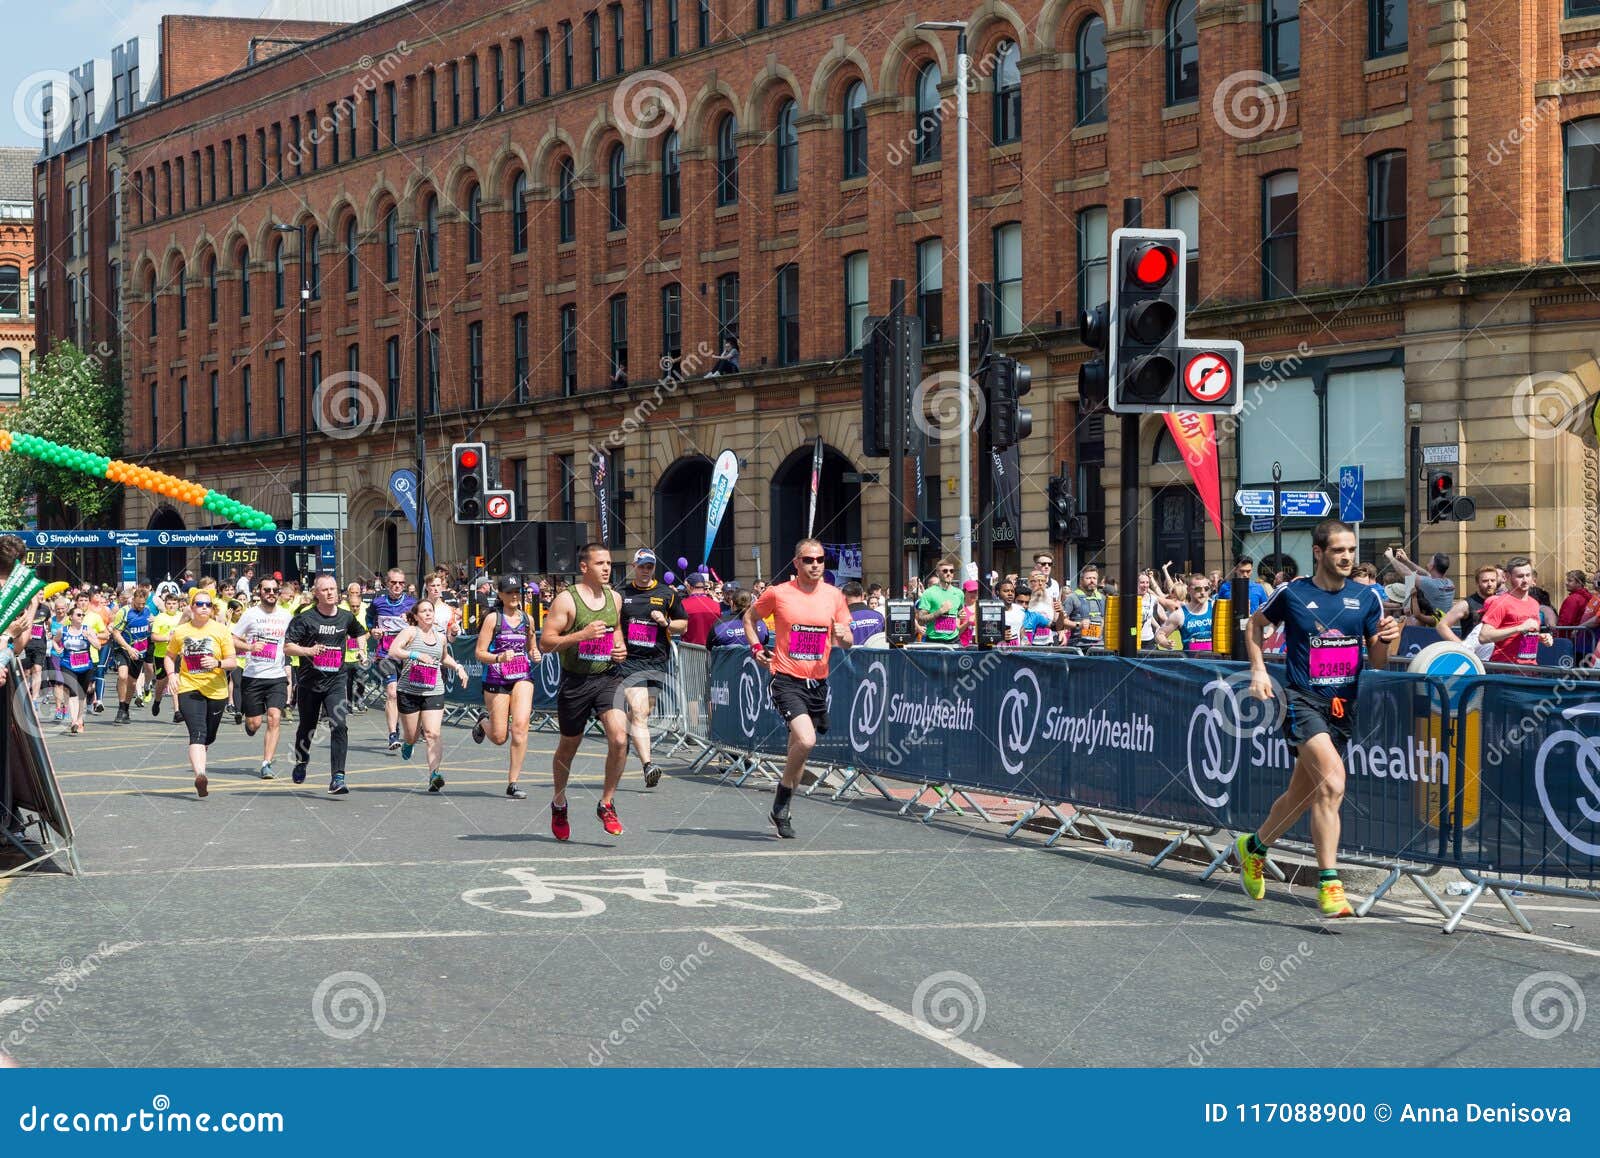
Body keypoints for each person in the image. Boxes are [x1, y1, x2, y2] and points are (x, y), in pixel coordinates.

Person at [1234, 519, 1398, 919]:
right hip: (1301, 701)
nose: (1347, 557)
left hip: (1342, 707)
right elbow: (1255, 625)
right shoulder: (1293, 593)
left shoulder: (1367, 597)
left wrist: (1390, 637)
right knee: (1334, 783)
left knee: (1302, 796)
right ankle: (1329, 884)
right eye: (1339, 550)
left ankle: (1254, 847)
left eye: (1352, 550)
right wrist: (1258, 670)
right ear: (1319, 552)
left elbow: (1378, 660)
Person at [745, 538, 854, 838]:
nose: (815, 564)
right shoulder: (778, 593)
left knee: (799, 752)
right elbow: (749, 618)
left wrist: (844, 635)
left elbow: (847, 641)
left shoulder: (834, 596)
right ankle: (781, 799)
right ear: (796, 563)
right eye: (808, 560)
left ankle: (783, 811)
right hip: (785, 678)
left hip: (817, 683)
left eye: (820, 559)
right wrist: (756, 649)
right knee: (806, 740)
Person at [539, 544, 630, 839]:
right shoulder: (567, 600)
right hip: (575, 681)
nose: (606, 568)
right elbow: (546, 643)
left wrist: (619, 647)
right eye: (600, 563)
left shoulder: (615, 598)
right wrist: (581, 635)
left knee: (620, 738)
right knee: (569, 747)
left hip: (607, 677)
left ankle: (606, 803)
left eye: (609, 563)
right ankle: (559, 803)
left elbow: (616, 630)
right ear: (583, 567)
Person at [283, 574, 368, 793]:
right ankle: (301, 760)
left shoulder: (346, 617)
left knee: (339, 725)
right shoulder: (305, 618)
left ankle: (338, 777)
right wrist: (309, 650)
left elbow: (360, 632)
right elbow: (288, 647)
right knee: (307, 727)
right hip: (310, 682)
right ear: (316, 594)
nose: (330, 593)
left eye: (333, 589)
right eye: (325, 590)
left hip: (336, 681)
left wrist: (361, 650)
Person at [617, 549, 686, 788]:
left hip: (656, 660)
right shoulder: (622, 594)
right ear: (634, 567)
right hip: (629, 661)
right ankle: (648, 765)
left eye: (650, 566)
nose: (646, 570)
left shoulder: (667, 594)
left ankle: (626, 732)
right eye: (642, 566)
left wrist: (666, 623)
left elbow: (683, 625)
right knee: (638, 711)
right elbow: (614, 623)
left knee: (644, 713)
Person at [472, 574, 542, 798]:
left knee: (520, 728)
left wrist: (535, 653)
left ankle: (513, 782)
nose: (514, 596)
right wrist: (499, 658)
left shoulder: (528, 619)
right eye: (509, 592)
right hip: (496, 679)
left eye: (516, 592)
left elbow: (532, 647)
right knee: (500, 737)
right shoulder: (493, 619)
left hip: (522, 676)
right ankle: (483, 722)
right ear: (500, 595)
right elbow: (479, 653)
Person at [386, 598, 467, 792]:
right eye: (423, 611)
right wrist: (415, 655)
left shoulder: (440, 637)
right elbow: (393, 650)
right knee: (412, 736)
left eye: (430, 610)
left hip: (433, 690)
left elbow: (444, 657)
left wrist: (458, 667)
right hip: (409, 691)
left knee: (433, 733)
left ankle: (434, 775)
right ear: (415, 616)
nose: (428, 613)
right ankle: (409, 743)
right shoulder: (410, 632)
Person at [165, 591, 240, 797]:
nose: (204, 607)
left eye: (208, 604)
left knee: (209, 736)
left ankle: (201, 766)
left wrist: (217, 663)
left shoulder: (221, 631)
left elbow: (232, 661)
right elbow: (169, 656)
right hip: (189, 688)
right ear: (192, 607)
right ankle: (200, 775)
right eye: (199, 604)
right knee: (197, 733)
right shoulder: (181, 632)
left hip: (216, 691)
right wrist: (171, 675)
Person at [233, 577, 293, 779]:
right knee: (255, 723)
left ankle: (266, 763)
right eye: (267, 590)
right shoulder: (250, 614)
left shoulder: (286, 616)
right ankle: (250, 724)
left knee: (274, 717)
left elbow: (294, 639)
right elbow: (232, 638)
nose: (271, 593)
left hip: (277, 676)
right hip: (253, 676)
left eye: (275, 590)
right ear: (259, 592)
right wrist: (250, 647)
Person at [367, 568, 418, 752]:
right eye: (393, 582)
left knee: (406, 695)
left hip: (407, 655)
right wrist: (373, 630)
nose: (397, 586)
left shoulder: (412, 603)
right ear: (387, 584)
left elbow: (421, 625)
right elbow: (369, 619)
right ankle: (392, 735)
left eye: (401, 583)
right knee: (392, 693)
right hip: (386, 654)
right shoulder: (378, 602)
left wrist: (411, 621)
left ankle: (407, 728)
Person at [1477, 557, 1552, 666]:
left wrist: (1541, 637)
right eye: (1520, 576)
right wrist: (1519, 628)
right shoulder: (1501, 602)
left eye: (1528, 575)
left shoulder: (1534, 603)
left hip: (1531, 667)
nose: (1525, 580)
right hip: (1505, 669)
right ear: (1508, 577)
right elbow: (1483, 636)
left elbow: (1526, 633)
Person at [107, 585, 153, 725]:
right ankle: (121, 708)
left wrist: (153, 624)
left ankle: (126, 708)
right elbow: (116, 633)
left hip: (139, 651)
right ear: (133, 600)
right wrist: (128, 648)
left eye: (143, 604)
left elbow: (149, 630)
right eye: (138, 604)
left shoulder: (147, 611)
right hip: (123, 648)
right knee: (122, 676)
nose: (141, 606)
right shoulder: (124, 612)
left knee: (132, 682)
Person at [1157, 573, 1215, 653]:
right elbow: (1159, 634)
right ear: (1188, 590)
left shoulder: (1215, 607)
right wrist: (1164, 642)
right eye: (1198, 589)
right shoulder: (1180, 614)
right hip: (1191, 660)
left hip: (1215, 659)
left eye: (1206, 588)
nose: (1202, 592)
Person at [915, 558, 963, 643]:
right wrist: (940, 611)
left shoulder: (959, 593)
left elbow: (959, 612)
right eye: (945, 571)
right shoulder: (929, 593)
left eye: (951, 571)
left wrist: (960, 615)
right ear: (937, 573)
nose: (949, 573)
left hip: (954, 639)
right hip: (934, 640)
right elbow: (921, 619)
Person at [1061, 564, 1108, 647]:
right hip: (1079, 646)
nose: (1092, 581)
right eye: (1088, 578)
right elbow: (1061, 621)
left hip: (1099, 645)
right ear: (1081, 580)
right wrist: (1078, 624)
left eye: (1094, 578)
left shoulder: (1102, 598)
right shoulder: (1072, 598)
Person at [679, 572, 722, 646]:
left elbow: (679, 629)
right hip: (711, 650)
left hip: (689, 650)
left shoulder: (683, 604)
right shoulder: (716, 605)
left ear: (689, 586)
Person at [957, 579, 980, 646]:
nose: (974, 594)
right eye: (971, 591)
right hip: (962, 647)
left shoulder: (981, 608)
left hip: (979, 647)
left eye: (975, 591)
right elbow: (955, 633)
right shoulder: (959, 609)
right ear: (964, 592)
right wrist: (967, 623)